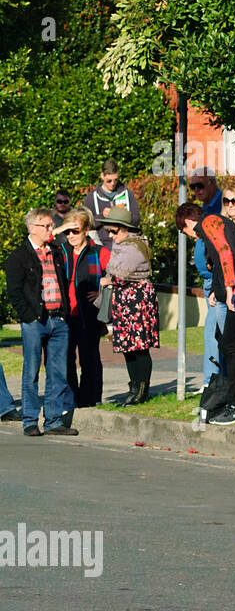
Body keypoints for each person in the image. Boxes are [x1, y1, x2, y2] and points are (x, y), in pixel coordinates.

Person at [176, 199, 235, 424]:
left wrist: (230, 288)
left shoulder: (209, 222)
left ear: (187, 221)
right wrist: (216, 289)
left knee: (232, 346)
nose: (192, 236)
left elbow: (225, 253)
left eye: (185, 231)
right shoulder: (215, 221)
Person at [5, 209, 77, 435]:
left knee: (58, 371)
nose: (50, 230)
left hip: (58, 319)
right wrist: (29, 316)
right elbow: (14, 292)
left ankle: (53, 420)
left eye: (51, 225)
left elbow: (64, 282)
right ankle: (29, 420)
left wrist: (64, 311)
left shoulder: (56, 252)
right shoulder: (19, 256)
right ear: (32, 228)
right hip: (36, 321)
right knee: (31, 370)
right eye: (46, 226)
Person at [99, 206, 160, 406]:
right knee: (128, 347)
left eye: (113, 231)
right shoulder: (123, 244)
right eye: (108, 231)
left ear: (124, 228)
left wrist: (108, 280)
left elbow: (119, 273)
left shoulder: (134, 246)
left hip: (137, 301)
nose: (110, 235)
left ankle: (141, 389)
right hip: (125, 300)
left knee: (139, 347)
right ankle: (134, 388)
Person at [54, 208, 108, 408]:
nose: (70, 236)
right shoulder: (61, 251)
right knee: (66, 360)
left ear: (87, 230)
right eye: (68, 231)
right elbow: (38, 241)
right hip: (66, 315)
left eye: (75, 231)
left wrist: (101, 295)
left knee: (89, 358)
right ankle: (71, 400)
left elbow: (117, 276)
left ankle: (90, 399)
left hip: (89, 314)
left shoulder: (99, 252)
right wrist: (62, 227)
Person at [83, 160, 139, 249]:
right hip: (103, 247)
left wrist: (122, 216)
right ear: (102, 176)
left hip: (127, 246)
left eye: (115, 180)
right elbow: (85, 225)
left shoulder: (127, 194)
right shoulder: (91, 198)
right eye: (109, 181)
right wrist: (102, 216)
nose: (113, 184)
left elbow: (136, 220)